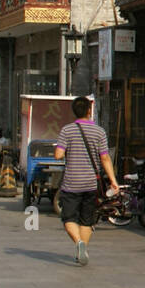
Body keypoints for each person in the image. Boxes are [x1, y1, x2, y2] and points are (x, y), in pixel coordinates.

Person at [53, 96, 119, 266]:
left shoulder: (66, 130)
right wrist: (113, 180)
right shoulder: (99, 132)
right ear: (89, 111)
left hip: (71, 183)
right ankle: (82, 249)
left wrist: (65, 149)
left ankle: (78, 243)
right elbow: (105, 158)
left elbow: (58, 155)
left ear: (74, 111)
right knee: (86, 219)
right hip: (91, 183)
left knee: (68, 218)